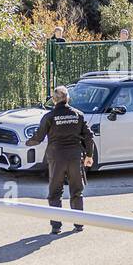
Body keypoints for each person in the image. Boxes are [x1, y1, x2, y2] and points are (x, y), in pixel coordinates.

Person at [25, 84, 95, 234]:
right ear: (68, 98)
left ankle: (56, 227)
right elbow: (89, 136)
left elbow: (38, 137)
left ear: (54, 100)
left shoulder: (49, 117)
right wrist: (89, 156)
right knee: (77, 190)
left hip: (56, 158)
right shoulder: (78, 115)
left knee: (55, 192)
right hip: (75, 157)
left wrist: (27, 143)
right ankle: (79, 224)